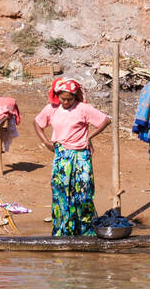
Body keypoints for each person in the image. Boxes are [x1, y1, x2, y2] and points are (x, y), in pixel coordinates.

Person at [34, 77, 110, 236]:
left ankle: (85, 230)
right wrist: (46, 141)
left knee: (83, 192)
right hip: (62, 155)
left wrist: (90, 137)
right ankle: (62, 231)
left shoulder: (83, 109)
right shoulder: (52, 109)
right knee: (61, 193)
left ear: (75, 97)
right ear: (58, 96)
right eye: (63, 99)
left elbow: (105, 120)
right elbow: (37, 123)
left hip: (82, 155)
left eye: (69, 99)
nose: (66, 102)